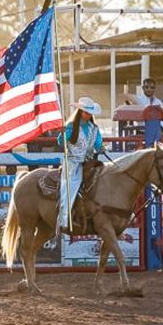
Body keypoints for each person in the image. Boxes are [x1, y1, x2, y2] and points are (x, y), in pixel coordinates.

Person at [57, 97, 104, 234]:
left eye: (89, 113)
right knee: (69, 186)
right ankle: (64, 219)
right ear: (80, 112)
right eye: (85, 112)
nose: (88, 115)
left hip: (89, 162)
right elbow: (61, 142)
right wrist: (62, 135)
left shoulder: (93, 128)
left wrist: (101, 147)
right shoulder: (71, 127)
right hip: (73, 163)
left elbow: (98, 144)